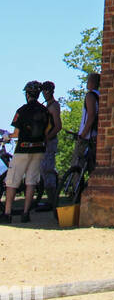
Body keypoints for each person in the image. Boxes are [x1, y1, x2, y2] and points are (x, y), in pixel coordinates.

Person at [1, 82, 56, 223]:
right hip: (39, 149)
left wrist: (8, 136)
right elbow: (49, 130)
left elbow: (16, 133)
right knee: (31, 181)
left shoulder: (22, 110)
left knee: (12, 181)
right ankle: (26, 213)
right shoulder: (45, 111)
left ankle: (7, 213)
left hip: (22, 149)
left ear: (27, 94)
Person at [39, 81, 62, 209]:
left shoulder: (53, 106)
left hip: (50, 141)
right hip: (46, 141)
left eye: (46, 91)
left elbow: (58, 126)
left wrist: (47, 138)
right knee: (44, 169)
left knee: (48, 169)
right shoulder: (47, 105)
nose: (44, 93)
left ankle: (53, 201)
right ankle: (50, 199)